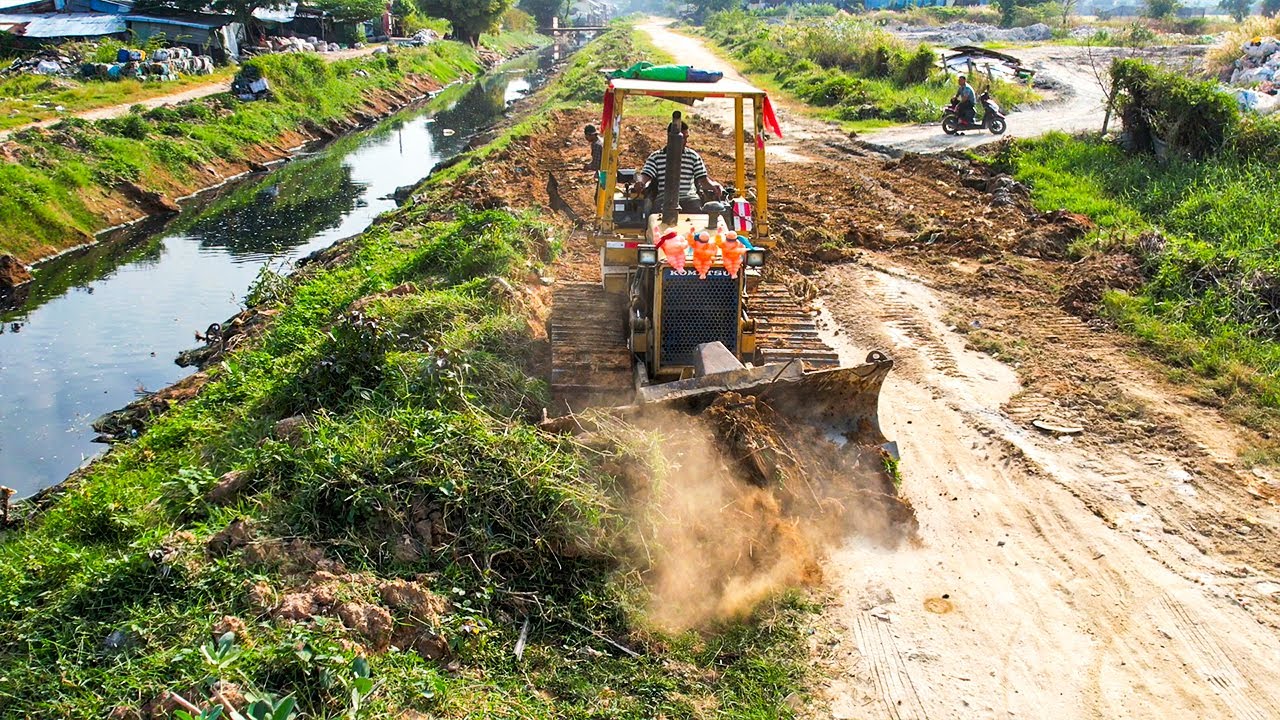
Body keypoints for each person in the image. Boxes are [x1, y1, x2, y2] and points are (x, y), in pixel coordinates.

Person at [631, 121, 725, 213]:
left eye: (686, 138)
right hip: (664, 200)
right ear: (670, 137)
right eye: (682, 138)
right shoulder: (656, 157)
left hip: (689, 200)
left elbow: (703, 181)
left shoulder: (693, 156)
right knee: (653, 217)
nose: (685, 141)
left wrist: (713, 186)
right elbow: (645, 175)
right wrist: (640, 182)